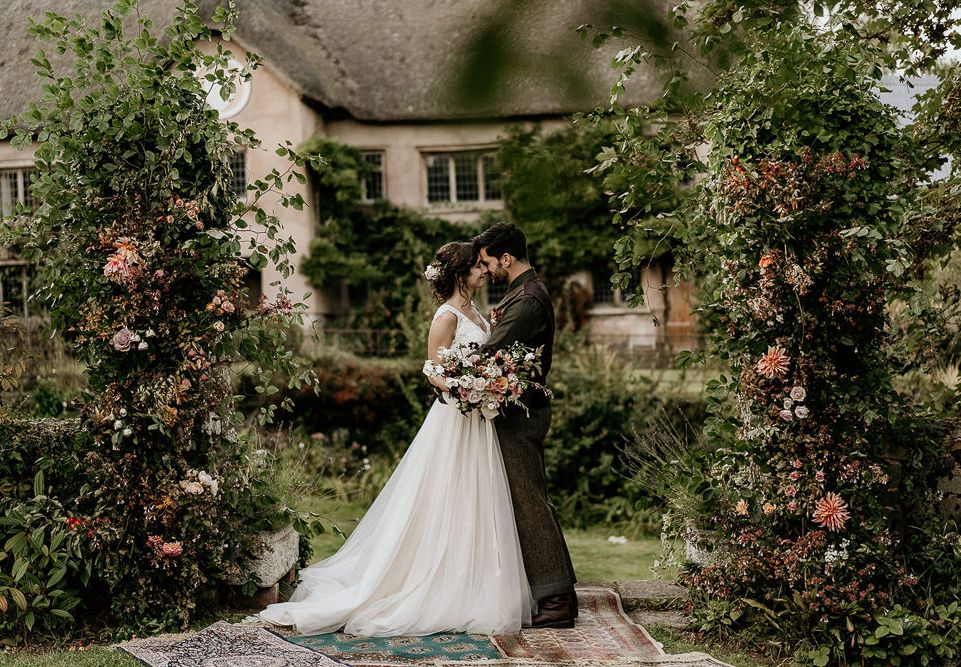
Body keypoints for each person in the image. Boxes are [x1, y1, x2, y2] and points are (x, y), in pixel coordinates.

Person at [259, 241, 533, 636]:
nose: (484, 271)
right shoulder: (446, 316)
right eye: (477, 267)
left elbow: (481, 359)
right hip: (455, 419)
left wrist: (488, 385)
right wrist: (465, 390)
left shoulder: (476, 311)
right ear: (460, 274)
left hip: (479, 422)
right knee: (444, 498)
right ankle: (431, 584)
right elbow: (432, 371)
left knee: (478, 498)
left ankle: (475, 583)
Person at [474, 222, 578, 629]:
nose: (487, 271)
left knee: (528, 502)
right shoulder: (522, 293)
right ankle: (559, 592)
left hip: (523, 414)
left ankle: (556, 600)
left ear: (507, 257)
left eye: (488, 262)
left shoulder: (527, 300)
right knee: (530, 499)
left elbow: (489, 352)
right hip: (520, 410)